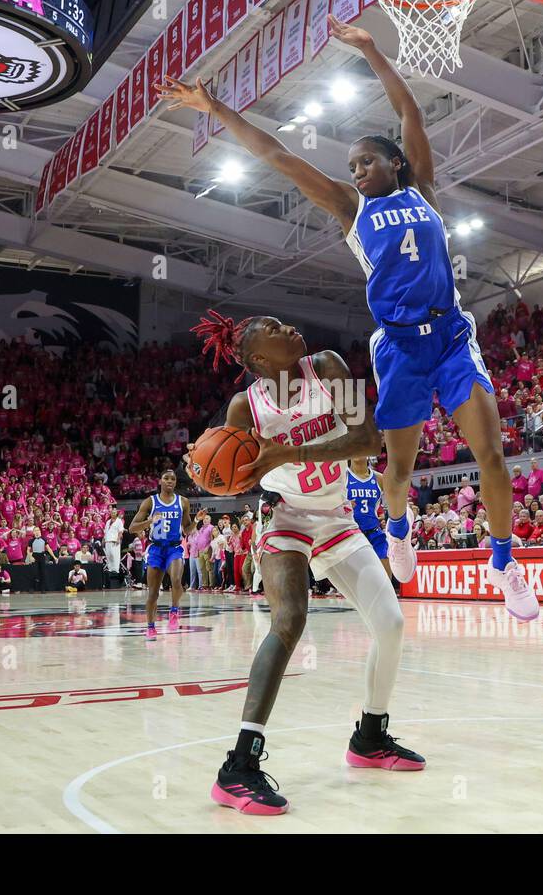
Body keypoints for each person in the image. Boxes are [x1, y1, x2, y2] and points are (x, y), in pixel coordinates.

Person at [161, 16, 537, 621]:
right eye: (353, 165)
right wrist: (215, 108)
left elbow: (410, 112)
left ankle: (504, 560)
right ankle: (397, 526)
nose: (357, 171)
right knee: (399, 469)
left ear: (396, 165)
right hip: (399, 348)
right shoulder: (348, 208)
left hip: (451, 336)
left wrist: (371, 50)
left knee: (490, 454)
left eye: (366, 162)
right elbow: (277, 156)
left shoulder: (425, 191)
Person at [190, 310, 422, 817]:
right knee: (289, 620)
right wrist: (205, 468)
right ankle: (239, 766)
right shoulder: (243, 408)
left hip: (336, 518)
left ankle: (370, 737)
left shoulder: (328, 368)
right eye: (273, 330)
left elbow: (367, 441)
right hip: (285, 517)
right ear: (257, 359)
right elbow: (236, 475)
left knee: (391, 623)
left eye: (284, 323)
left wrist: (285, 453)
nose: (289, 328)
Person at [127, 469, 194, 640]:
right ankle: (150, 627)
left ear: (176, 482)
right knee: (153, 594)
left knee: (177, 580)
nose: (170, 481)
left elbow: (186, 530)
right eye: (166, 478)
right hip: (156, 549)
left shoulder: (183, 502)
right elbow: (132, 528)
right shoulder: (150, 502)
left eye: (173, 479)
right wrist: (150, 521)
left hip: (174, 547)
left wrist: (197, 521)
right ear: (160, 481)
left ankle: (174, 610)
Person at [347, 456, 391, 579]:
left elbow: (394, 500)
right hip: (352, 532)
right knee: (356, 575)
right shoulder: (342, 476)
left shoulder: (379, 478)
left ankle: (386, 596)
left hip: (373, 530)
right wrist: (344, 503)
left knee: (385, 567)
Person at [103, 510, 124, 588]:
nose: (113, 514)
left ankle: (115, 571)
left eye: (114, 513)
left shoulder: (119, 521)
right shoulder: (108, 521)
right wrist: (103, 539)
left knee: (115, 557)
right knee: (108, 557)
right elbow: (105, 532)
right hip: (107, 541)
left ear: (116, 514)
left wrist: (118, 538)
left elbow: (120, 531)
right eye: (112, 513)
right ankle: (110, 570)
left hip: (114, 541)